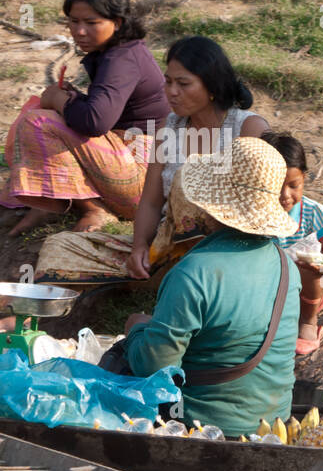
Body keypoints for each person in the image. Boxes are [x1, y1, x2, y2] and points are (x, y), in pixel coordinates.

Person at [120, 137, 299, 438]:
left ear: (211, 205)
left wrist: (136, 331)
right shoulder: (287, 267)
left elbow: (155, 366)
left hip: (203, 426)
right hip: (273, 425)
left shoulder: (193, 272)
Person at [0, 0, 169, 236]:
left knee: (39, 122)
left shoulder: (121, 60)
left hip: (144, 180)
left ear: (117, 22)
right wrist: (73, 98)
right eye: (74, 21)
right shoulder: (118, 51)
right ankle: (53, 197)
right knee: (40, 109)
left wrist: (59, 100)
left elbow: (95, 122)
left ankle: (92, 208)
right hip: (144, 166)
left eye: (92, 22)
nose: (79, 31)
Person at [125, 36, 269, 280]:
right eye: (168, 82)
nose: (172, 92)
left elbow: (259, 205)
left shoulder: (248, 129)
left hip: (229, 249)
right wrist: (139, 246)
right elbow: (150, 202)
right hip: (168, 245)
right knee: (62, 248)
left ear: (212, 87)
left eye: (183, 83)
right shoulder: (167, 130)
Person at [261, 132, 323, 356]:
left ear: (304, 179)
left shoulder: (312, 213)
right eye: (275, 185)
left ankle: (308, 322)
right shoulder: (254, 215)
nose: (284, 195)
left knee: (305, 267)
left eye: (293, 185)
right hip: (267, 287)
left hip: (307, 292)